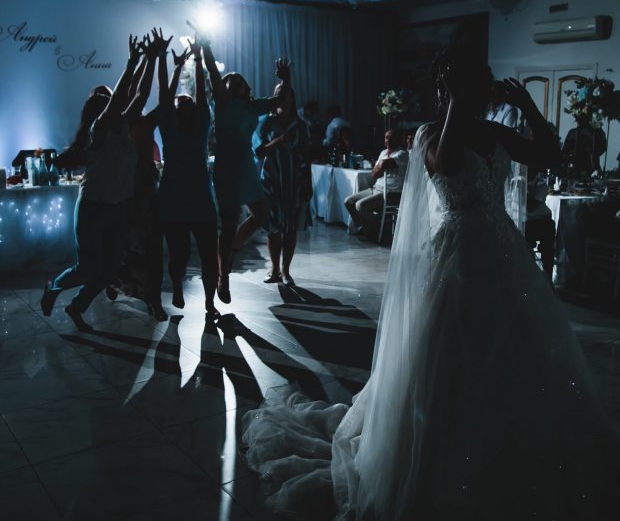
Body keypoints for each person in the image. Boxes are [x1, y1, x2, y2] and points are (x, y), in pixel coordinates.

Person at [241, 45, 620, 519]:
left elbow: (548, 152)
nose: (466, 93)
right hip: (457, 258)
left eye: (469, 85)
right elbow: (449, 162)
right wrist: (456, 101)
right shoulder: (429, 136)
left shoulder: (495, 132)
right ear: (448, 90)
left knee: (516, 353)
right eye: (457, 86)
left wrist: (526, 105)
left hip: (504, 253)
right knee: (448, 357)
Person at [41, 35, 142, 331]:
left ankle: (76, 307)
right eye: (112, 105)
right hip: (94, 207)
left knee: (108, 270)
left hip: (117, 207)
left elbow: (138, 94)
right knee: (87, 269)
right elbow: (124, 96)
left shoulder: (123, 131)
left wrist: (151, 60)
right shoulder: (99, 130)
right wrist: (132, 63)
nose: (119, 108)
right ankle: (54, 287)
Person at [107, 31, 191, 322]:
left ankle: (152, 299)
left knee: (151, 248)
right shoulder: (120, 125)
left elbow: (163, 100)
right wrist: (152, 59)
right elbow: (143, 93)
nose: (136, 100)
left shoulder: (141, 123)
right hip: (125, 194)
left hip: (145, 193)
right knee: (127, 247)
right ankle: (118, 284)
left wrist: (168, 65)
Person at [201, 34, 291, 304]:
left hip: (246, 167)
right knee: (228, 225)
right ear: (225, 87)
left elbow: (280, 100)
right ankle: (223, 276)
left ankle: (232, 250)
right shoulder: (222, 103)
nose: (235, 81)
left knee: (262, 214)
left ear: (245, 87)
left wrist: (286, 78)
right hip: (227, 169)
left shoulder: (252, 106)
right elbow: (213, 73)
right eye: (231, 79)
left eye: (240, 80)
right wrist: (206, 46)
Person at [156, 32, 219, 318]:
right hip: (198, 199)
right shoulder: (198, 127)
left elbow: (165, 96)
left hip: (174, 199)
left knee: (181, 253)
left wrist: (175, 63)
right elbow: (198, 96)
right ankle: (206, 301)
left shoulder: (171, 130)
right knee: (203, 254)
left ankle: (189, 293)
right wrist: (195, 59)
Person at [255, 84, 311, 286]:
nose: (283, 98)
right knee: (273, 227)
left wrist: (307, 182)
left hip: (295, 180)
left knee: (291, 227)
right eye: (278, 94)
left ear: (292, 99)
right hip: (271, 179)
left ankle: (286, 270)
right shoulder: (265, 122)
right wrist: (278, 140)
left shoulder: (300, 124)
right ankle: (274, 269)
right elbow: (258, 151)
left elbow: (306, 154)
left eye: (286, 95)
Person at [344, 128, 408, 239]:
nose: (388, 140)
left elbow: (383, 164)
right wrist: (381, 167)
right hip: (376, 188)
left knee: (360, 205)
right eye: (386, 137)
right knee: (348, 202)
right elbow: (374, 174)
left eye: (391, 138)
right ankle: (364, 227)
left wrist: (381, 166)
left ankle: (373, 232)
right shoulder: (383, 152)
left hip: (391, 193)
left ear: (397, 139)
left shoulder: (403, 153)